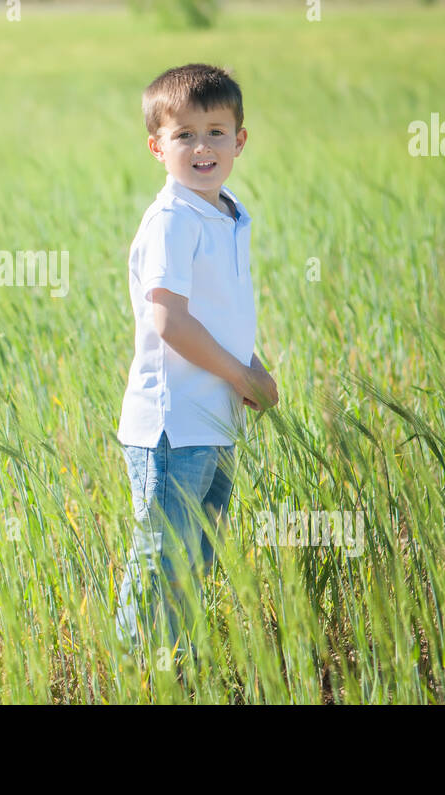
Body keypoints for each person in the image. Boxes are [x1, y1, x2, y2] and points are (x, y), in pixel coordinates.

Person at [114, 63, 279, 671]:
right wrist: (241, 376)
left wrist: (251, 367)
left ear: (240, 140)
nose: (201, 147)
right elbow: (170, 322)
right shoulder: (173, 220)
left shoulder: (225, 212)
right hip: (172, 428)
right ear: (157, 147)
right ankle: (138, 671)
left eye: (216, 131)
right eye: (184, 135)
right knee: (162, 562)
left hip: (214, 423)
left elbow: (218, 313)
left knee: (194, 562)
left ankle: (173, 667)